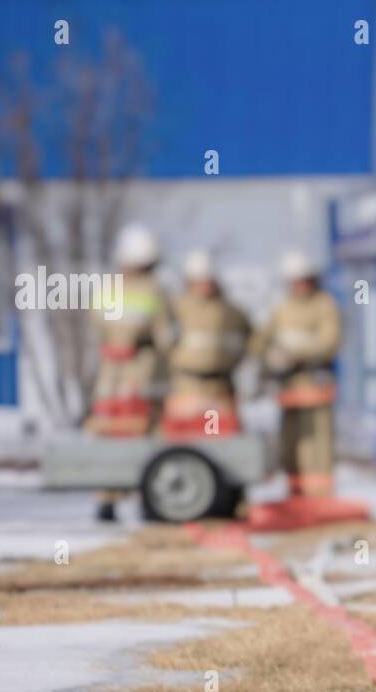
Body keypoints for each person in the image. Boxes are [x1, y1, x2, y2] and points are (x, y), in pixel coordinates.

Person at [88, 223, 174, 522]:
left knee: (112, 430)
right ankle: (141, 497)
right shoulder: (156, 291)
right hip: (141, 375)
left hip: (111, 377)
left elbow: (98, 329)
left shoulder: (107, 288)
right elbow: (167, 337)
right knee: (140, 432)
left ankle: (108, 499)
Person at [250, 251, 342, 498]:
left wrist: (294, 352)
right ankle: (296, 494)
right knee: (291, 444)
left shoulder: (325, 305)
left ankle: (321, 496)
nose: (300, 286)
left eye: (304, 280)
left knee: (317, 446)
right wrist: (267, 357)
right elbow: (261, 341)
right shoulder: (282, 309)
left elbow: (329, 343)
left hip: (316, 387)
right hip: (289, 390)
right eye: (295, 281)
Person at [163, 249, 251, 437]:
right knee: (185, 444)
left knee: (219, 442)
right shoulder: (177, 309)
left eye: (207, 280)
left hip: (220, 391)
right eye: (199, 281)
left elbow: (252, 341)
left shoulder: (231, 313)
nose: (204, 286)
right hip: (186, 390)